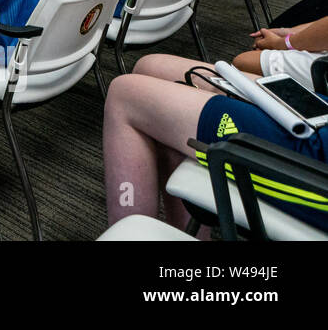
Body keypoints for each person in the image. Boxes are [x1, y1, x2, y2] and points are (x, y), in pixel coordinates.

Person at [103, 53, 328, 232]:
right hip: (321, 118)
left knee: (123, 95)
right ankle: (184, 233)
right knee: (150, 66)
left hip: (316, 163)